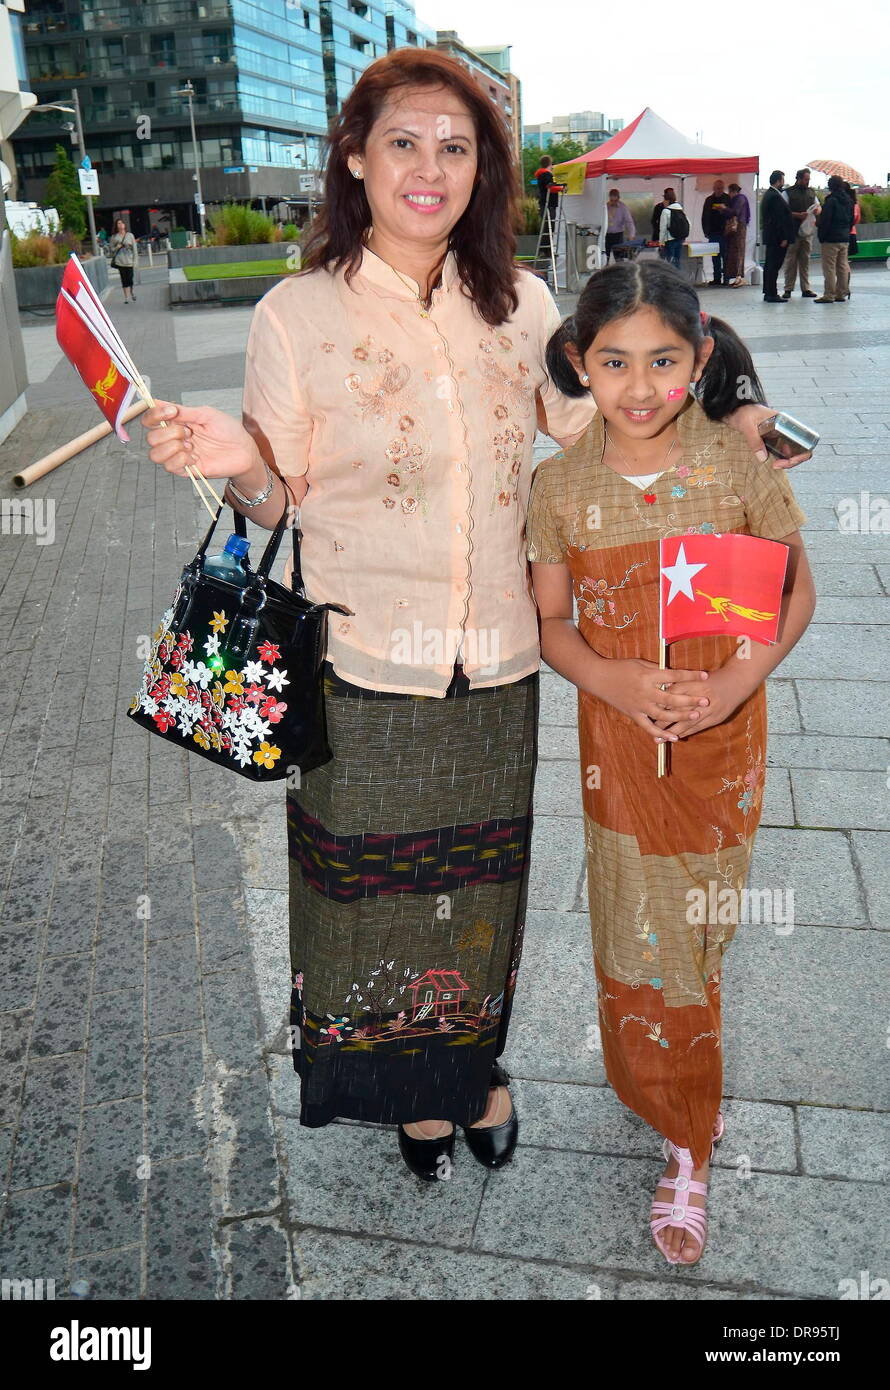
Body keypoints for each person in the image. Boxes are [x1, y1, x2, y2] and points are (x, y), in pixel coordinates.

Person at [138, 48, 811, 1187]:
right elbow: (273, 499)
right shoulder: (294, 315)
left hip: (499, 661)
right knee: (370, 898)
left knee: (475, 895)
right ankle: (411, 1095)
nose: (427, 167)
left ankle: (470, 1075)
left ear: (479, 172)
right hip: (360, 662)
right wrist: (237, 458)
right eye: (402, 141)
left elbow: (589, 415)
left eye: (455, 148)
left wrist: (722, 412)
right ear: (355, 156)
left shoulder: (520, 303)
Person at [527, 258, 815, 1265]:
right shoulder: (557, 487)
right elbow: (554, 623)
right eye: (612, 361)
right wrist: (610, 683)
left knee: (695, 936)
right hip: (616, 757)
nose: (637, 385)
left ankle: (684, 1126)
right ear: (577, 363)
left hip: (719, 751)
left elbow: (789, 600)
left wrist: (734, 685)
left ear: (697, 360)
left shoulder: (733, 470)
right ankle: (679, 1114)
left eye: (660, 359)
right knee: (634, 936)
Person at [814, 174, 853, 303]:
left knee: (829, 268)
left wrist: (821, 234)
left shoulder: (831, 201)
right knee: (842, 266)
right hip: (844, 238)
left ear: (830, 186)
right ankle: (841, 293)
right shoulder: (848, 200)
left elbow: (826, 221)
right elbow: (851, 219)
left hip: (831, 239)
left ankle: (829, 294)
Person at [782, 169, 819, 299]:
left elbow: (818, 206)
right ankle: (788, 288)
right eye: (805, 179)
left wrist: (817, 210)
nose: (807, 182)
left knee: (805, 261)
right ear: (798, 178)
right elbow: (782, 212)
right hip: (793, 231)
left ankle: (806, 288)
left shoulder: (811, 192)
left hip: (807, 232)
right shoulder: (787, 193)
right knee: (790, 261)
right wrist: (798, 215)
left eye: (808, 179)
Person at [760, 170, 796, 302]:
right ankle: (771, 293)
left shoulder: (769, 194)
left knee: (770, 265)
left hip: (771, 237)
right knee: (774, 265)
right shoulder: (774, 196)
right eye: (782, 180)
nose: (783, 183)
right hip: (777, 238)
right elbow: (779, 219)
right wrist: (784, 237)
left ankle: (768, 291)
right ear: (778, 181)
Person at [701, 179, 731, 285]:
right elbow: (704, 217)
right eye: (717, 188)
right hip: (712, 233)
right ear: (713, 188)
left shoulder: (727, 199)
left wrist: (724, 210)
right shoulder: (709, 200)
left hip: (725, 233)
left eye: (721, 188)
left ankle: (726, 278)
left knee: (725, 256)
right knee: (715, 257)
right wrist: (705, 231)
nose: (719, 190)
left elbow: (731, 214)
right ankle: (717, 278)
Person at [723, 183, 751, 286]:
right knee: (735, 250)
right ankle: (737, 276)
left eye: (729, 192)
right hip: (739, 227)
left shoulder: (740, 199)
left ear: (733, 191)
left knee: (738, 250)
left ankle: (739, 276)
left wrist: (724, 208)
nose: (729, 194)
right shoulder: (740, 199)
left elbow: (735, 212)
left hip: (739, 227)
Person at [108, 217, 137, 302]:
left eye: (122, 223)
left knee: (130, 279)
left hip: (129, 261)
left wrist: (135, 261)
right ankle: (126, 297)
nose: (120, 225)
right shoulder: (114, 237)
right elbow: (111, 250)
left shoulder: (130, 235)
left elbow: (134, 249)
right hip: (120, 261)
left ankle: (132, 292)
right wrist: (117, 247)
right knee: (124, 279)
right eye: (118, 223)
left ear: (125, 225)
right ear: (116, 226)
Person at [658, 192, 688, 269]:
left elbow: (663, 228)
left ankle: (671, 280)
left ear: (667, 200)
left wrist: (661, 242)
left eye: (664, 199)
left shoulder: (666, 211)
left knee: (670, 264)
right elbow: (688, 223)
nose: (663, 202)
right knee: (677, 261)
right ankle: (678, 279)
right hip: (680, 239)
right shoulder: (680, 210)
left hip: (670, 240)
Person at [605, 186, 635, 262]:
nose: (613, 202)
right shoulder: (605, 206)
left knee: (619, 257)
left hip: (618, 235)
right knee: (605, 257)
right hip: (606, 235)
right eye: (611, 200)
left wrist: (631, 235)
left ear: (618, 198)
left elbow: (629, 222)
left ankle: (620, 271)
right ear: (609, 198)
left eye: (615, 200)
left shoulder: (623, 207)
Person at [843, 181, 860, 300]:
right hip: (852, 234)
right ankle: (845, 288)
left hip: (844, 234)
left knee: (842, 263)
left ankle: (844, 288)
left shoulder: (845, 204)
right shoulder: (855, 204)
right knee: (845, 262)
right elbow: (856, 219)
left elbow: (851, 219)